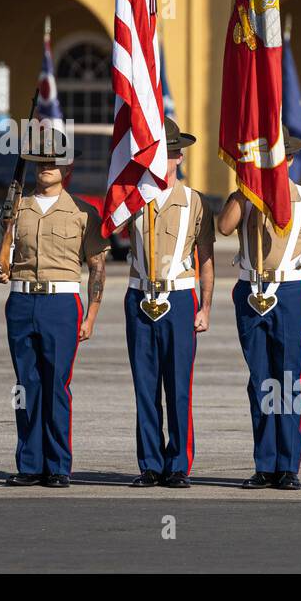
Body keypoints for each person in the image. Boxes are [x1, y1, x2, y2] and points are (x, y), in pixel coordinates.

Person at [0, 129, 108, 488]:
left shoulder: (84, 213)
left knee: (57, 384)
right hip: (22, 300)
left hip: (61, 303)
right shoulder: (16, 209)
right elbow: (5, 259)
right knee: (26, 384)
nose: (47, 166)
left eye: (55, 160)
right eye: (41, 160)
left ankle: (57, 465)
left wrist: (91, 316)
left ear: (67, 167)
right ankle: (29, 464)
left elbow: (97, 268)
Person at [216, 128, 301, 491]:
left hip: (292, 290)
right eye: (265, 158)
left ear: (292, 160)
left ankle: (288, 464)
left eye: (278, 158)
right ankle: (265, 463)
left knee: (288, 381)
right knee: (260, 380)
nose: (272, 164)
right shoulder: (247, 196)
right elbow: (223, 227)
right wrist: (244, 185)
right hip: (251, 289)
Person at [123, 117, 215, 489]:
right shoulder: (133, 198)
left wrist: (205, 307)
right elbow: (108, 231)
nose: (166, 158)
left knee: (178, 386)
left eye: (171, 153)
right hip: (140, 295)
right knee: (145, 386)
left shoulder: (195, 202)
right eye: (158, 152)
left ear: (179, 157)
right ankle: (149, 463)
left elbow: (206, 258)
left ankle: (178, 463)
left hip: (178, 298)